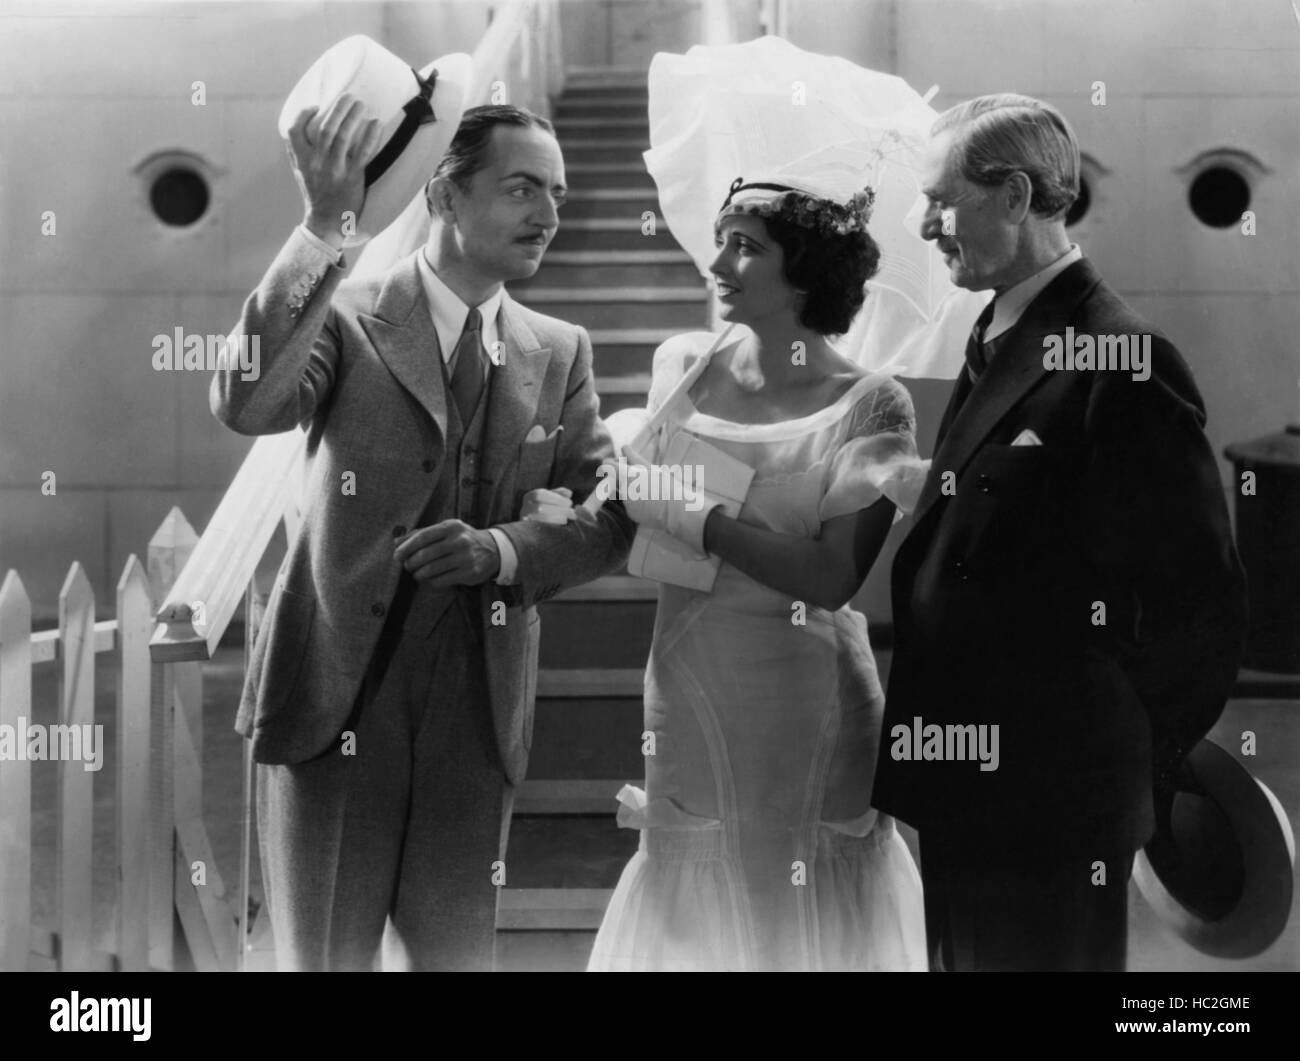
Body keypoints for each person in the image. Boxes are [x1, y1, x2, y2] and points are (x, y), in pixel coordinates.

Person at [211, 100, 633, 971]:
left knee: (455, 960)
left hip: (475, 713)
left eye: (556, 192)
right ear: (444, 192)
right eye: (522, 188)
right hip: (333, 699)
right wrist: (323, 231)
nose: (549, 215)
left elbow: (607, 516)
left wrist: (506, 549)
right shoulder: (347, 312)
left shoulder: (560, 349)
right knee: (322, 956)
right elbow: (246, 401)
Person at [871, 94, 1249, 972]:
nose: (926, 225)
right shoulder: (997, 333)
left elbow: (1201, 604)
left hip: (1052, 802)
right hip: (966, 788)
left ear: (1012, 196)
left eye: (941, 199)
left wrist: (1114, 762)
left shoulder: (1120, 356)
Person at [584, 178, 929, 971]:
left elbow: (832, 574)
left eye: (747, 246)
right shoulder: (682, 362)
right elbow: (637, 498)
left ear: (805, 270)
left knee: (801, 901)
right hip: (686, 674)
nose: (719, 261)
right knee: (693, 879)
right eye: (722, 238)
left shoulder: (871, 403)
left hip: (809, 692)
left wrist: (695, 515)